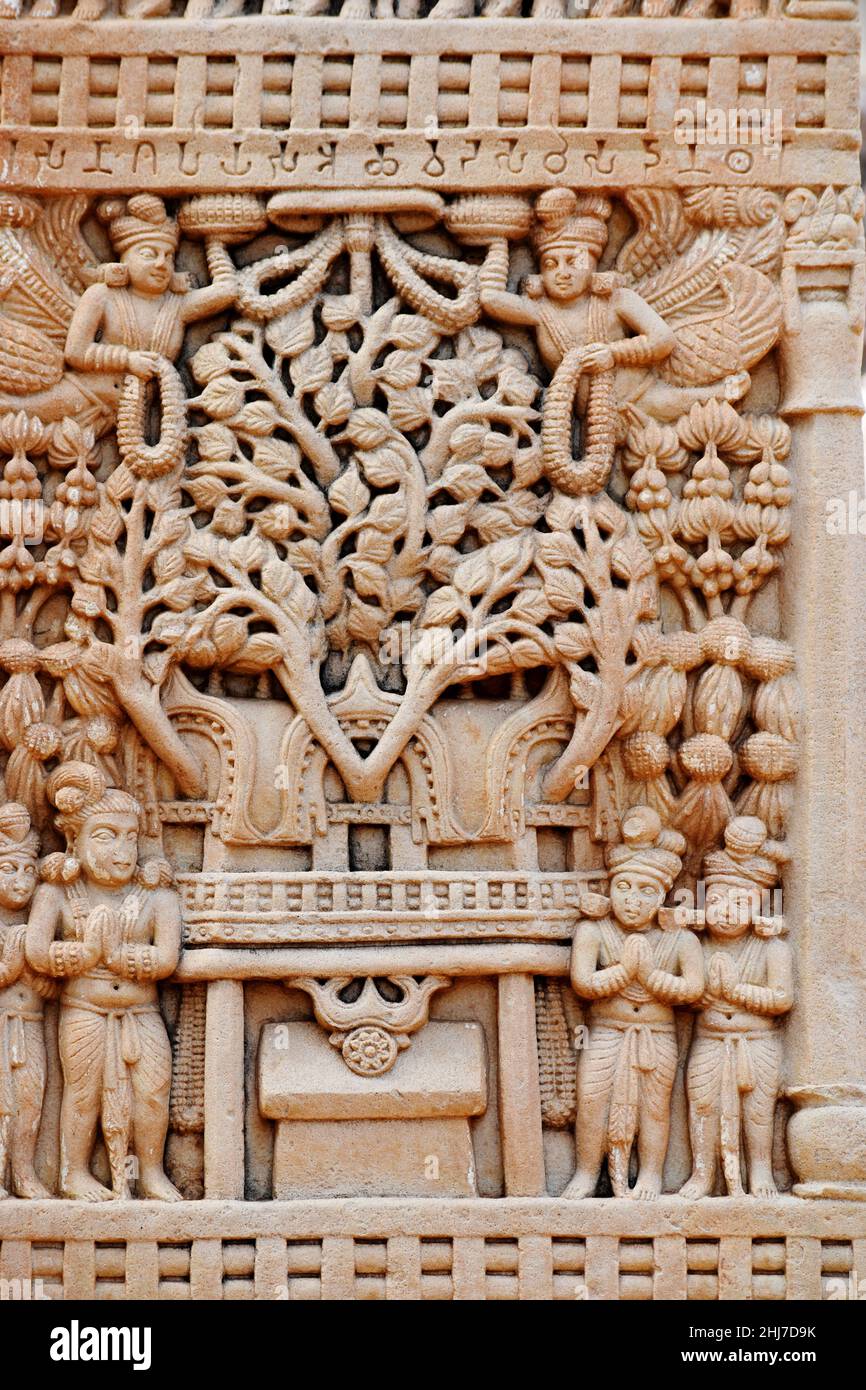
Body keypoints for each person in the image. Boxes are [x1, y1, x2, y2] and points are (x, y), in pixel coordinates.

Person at [26, 761, 182, 1201]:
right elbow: (37, 952)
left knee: (152, 1090)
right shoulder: (57, 893)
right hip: (85, 1010)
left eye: (130, 838)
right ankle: (74, 1172)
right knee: (83, 1093)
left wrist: (118, 956)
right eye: (105, 836)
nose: (122, 850)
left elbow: (167, 958)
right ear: (73, 839)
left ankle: (150, 1172)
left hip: (141, 1010)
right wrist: (84, 955)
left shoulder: (157, 895)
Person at [565, 805, 703, 1200]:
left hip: (657, 1033)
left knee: (655, 1107)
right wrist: (626, 971)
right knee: (591, 1100)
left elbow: (693, 990)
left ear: (663, 896)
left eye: (646, 892)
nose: (632, 901)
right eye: (623, 888)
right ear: (610, 887)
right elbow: (584, 982)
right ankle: (586, 1173)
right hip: (606, 1031)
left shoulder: (681, 939)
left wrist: (651, 976)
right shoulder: (594, 931)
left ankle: (652, 1177)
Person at [679, 816, 793, 1199]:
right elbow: (687, 996)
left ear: (761, 906)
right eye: (716, 901)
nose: (726, 911)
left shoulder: (771, 949)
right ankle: (701, 1173)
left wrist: (738, 991)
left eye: (740, 902)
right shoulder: (698, 946)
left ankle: (761, 1171)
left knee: (759, 1111)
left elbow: (781, 1000)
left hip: (757, 1041)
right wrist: (702, 996)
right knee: (702, 1103)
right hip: (711, 1037)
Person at [0, 802, 53, 1199]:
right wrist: (12, 963)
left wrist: (37, 972)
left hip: (31, 1021)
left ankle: (23, 1173)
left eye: (28, 872)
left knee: (30, 1101)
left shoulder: (38, 922)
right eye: (8, 870)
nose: (21, 881)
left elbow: (54, 989)